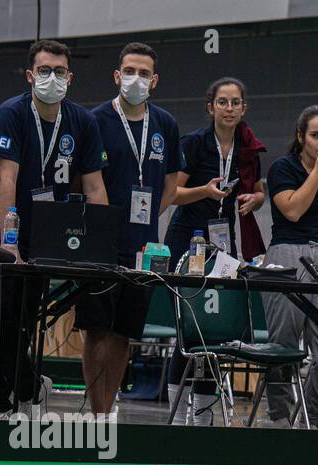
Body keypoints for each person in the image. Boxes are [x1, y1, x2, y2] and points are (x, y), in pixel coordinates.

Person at [0, 39, 108, 411]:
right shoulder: (11, 113)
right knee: (1, 319)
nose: (52, 77)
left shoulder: (83, 121)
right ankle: (16, 391)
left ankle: (22, 389)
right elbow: (6, 182)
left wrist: (101, 248)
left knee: (27, 320)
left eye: (59, 71)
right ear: (31, 75)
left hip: (48, 236)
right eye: (44, 70)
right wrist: (8, 246)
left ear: (70, 77)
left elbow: (95, 188)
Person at [73, 42, 181, 416]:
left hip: (143, 248)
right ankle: (95, 410)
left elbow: (170, 187)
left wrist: (146, 219)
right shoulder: (94, 120)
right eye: (130, 71)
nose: (136, 79)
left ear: (155, 81)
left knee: (124, 332)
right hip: (100, 242)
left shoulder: (165, 124)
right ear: (117, 76)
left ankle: (109, 409)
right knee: (97, 328)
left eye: (144, 73)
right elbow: (85, 182)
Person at [163, 77, 265, 423]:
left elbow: (260, 191)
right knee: (189, 328)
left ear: (244, 108)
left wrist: (257, 199)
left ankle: (204, 418)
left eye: (236, 102)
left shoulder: (248, 149)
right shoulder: (193, 144)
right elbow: (172, 194)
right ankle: (177, 417)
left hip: (223, 243)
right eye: (223, 102)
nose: (230, 108)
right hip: (186, 238)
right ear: (211, 107)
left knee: (214, 329)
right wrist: (204, 191)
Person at [260, 104, 318, 427]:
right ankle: (280, 416)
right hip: (285, 254)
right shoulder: (283, 168)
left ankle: (312, 415)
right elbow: (293, 211)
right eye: (315, 136)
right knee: (282, 343)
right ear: (301, 137)